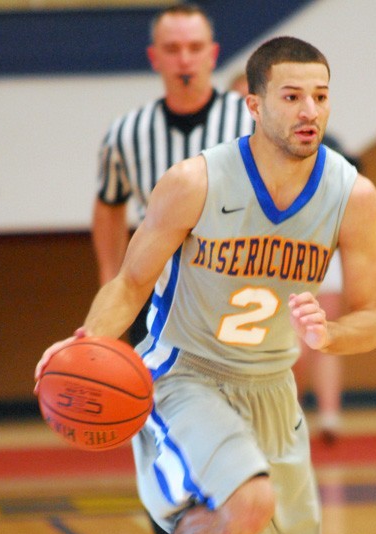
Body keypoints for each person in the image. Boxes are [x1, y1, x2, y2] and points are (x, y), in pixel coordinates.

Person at [38, 36, 376, 534]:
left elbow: (373, 317)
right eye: (291, 96)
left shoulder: (353, 194)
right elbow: (130, 283)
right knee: (249, 503)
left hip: (270, 388)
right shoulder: (194, 180)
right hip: (185, 374)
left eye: (319, 95)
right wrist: (80, 343)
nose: (308, 109)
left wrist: (333, 332)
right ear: (251, 103)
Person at [92, 3, 253, 347]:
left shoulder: (252, 123)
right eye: (172, 49)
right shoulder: (127, 131)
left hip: (234, 286)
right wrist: (112, 278)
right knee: (152, 396)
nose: (184, 59)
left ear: (213, 54)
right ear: (154, 57)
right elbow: (108, 203)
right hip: (155, 288)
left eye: (195, 48)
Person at [230, 71, 356, 444]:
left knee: (325, 331)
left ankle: (330, 414)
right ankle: (287, 413)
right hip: (260, 254)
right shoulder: (230, 152)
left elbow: (350, 184)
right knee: (283, 339)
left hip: (317, 247)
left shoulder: (318, 141)